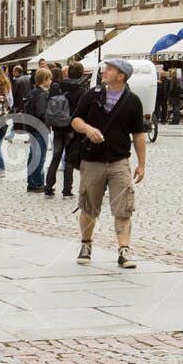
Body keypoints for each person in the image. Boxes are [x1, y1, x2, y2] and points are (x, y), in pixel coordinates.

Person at [70, 58, 148, 269]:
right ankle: (86, 245)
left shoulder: (132, 101)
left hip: (119, 161)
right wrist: (88, 129)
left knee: (124, 209)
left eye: (110, 69)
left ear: (121, 76)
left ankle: (124, 251)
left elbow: (139, 134)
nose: (104, 71)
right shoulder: (91, 95)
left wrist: (142, 164)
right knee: (88, 207)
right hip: (91, 160)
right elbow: (75, 120)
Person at [44, 61, 88, 198]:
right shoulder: (82, 90)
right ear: (82, 74)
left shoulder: (57, 86)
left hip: (57, 126)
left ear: (68, 73)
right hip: (72, 127)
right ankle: (67, 190)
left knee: (55, 156)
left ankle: (48, 187)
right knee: (69, 159)